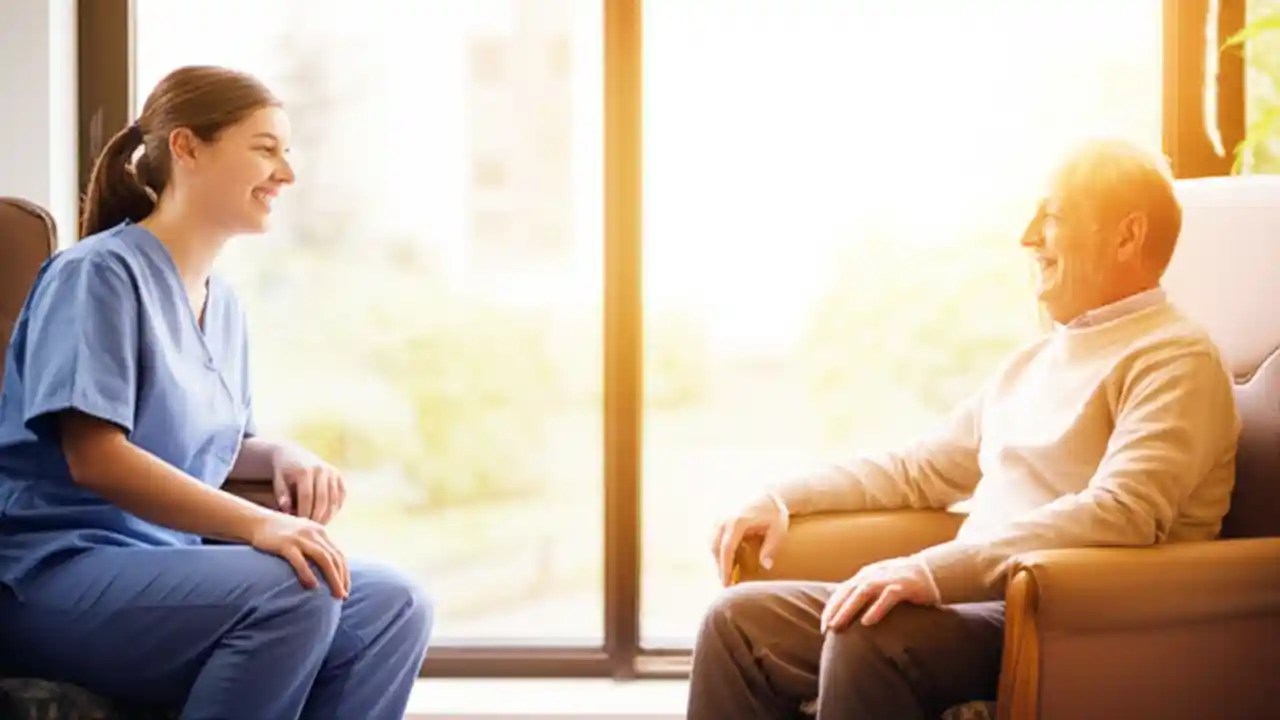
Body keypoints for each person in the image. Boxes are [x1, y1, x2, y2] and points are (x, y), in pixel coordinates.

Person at [689, 139, 1241, 719]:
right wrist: (781, 497)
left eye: (1050, 217)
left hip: (1070, 621)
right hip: (974, 605)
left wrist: (931, 570)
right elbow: (918, 471)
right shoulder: (1031, 364)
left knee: (871, 634)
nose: (1028, 237)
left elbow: (1124, 512)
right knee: (735, 627)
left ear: (1127, 236)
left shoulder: (1176, 358)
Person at [0, 65, 432, 719]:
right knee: (292, 590)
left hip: (162, 571)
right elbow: (97, 455)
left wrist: (283, 456)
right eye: (265, 148)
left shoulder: (222, 305)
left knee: (394, 603)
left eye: (287, 152)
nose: (286, 173)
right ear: (187, 147)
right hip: (53, 575)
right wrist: (262, 523)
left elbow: (212, 444)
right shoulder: (96, 274)